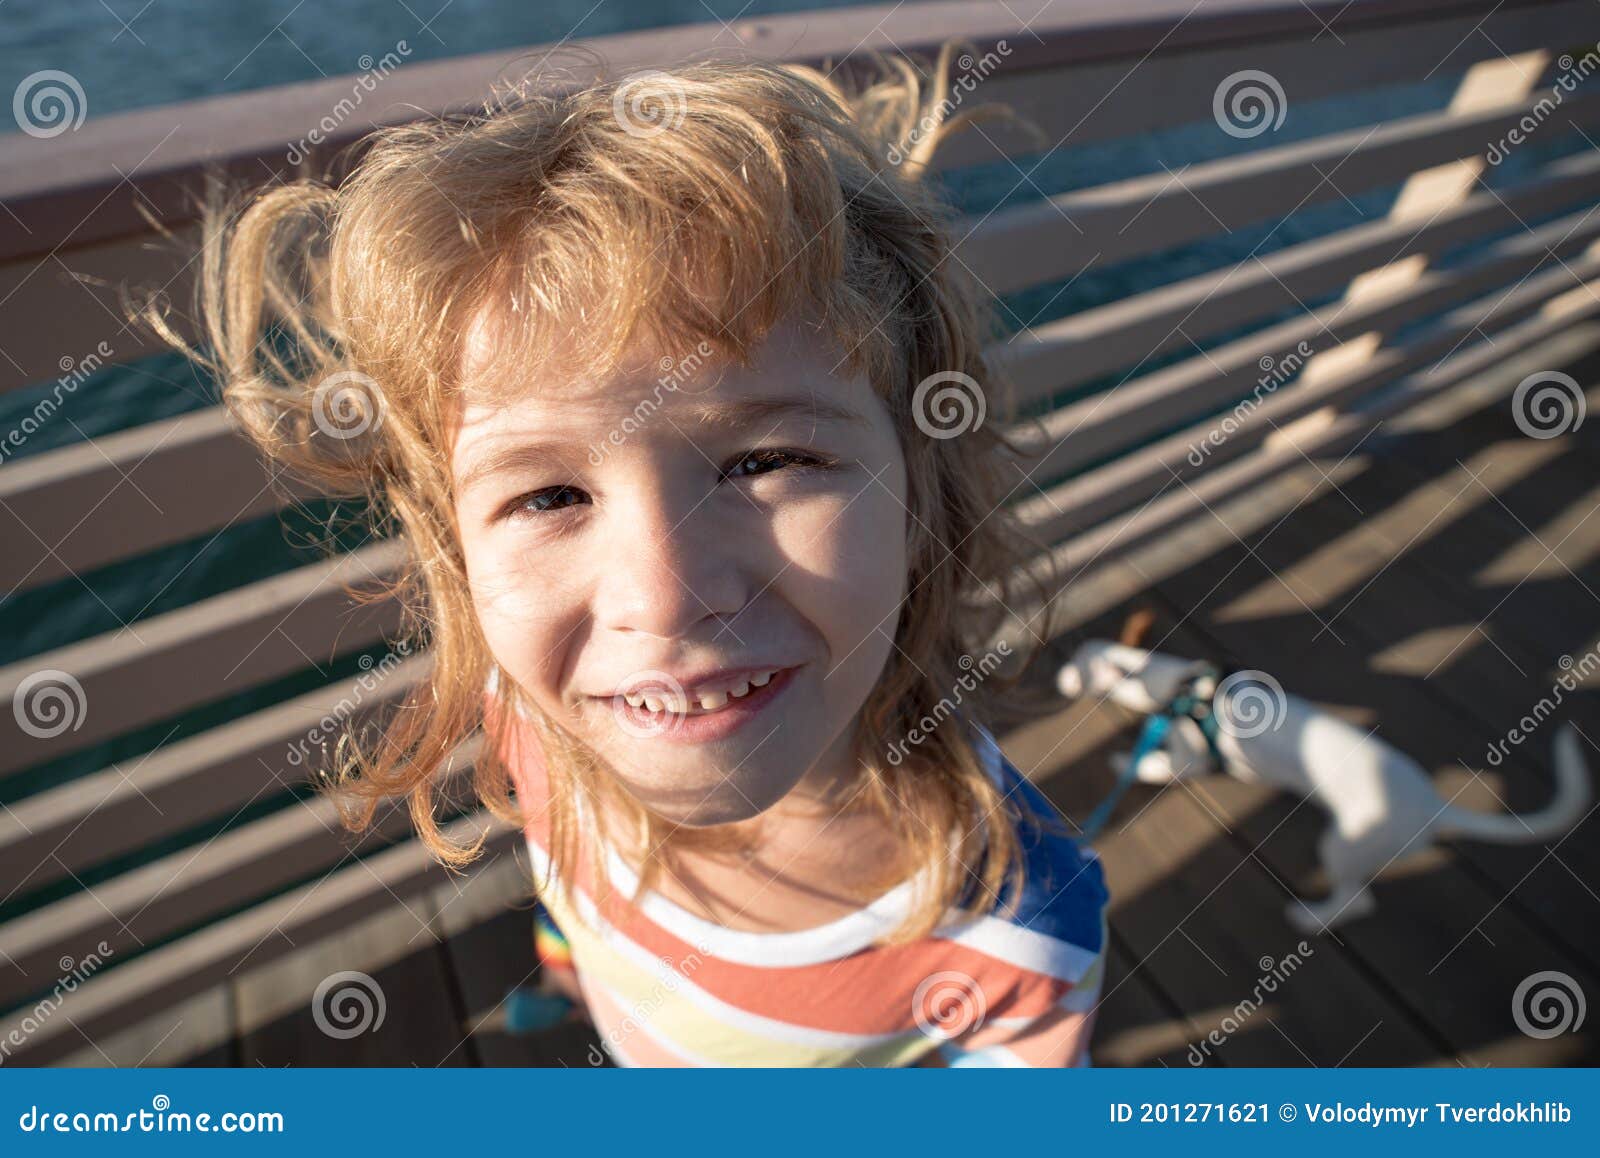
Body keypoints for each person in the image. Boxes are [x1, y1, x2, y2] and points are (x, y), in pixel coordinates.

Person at [154, 39, 1109, 1067]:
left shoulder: (1018, 932)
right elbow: (564, 870)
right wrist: (570, 958)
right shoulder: (538, 720)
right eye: (550, 494)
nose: (662, 599)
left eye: (768, 459)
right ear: (456, 555)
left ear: (924, 488)